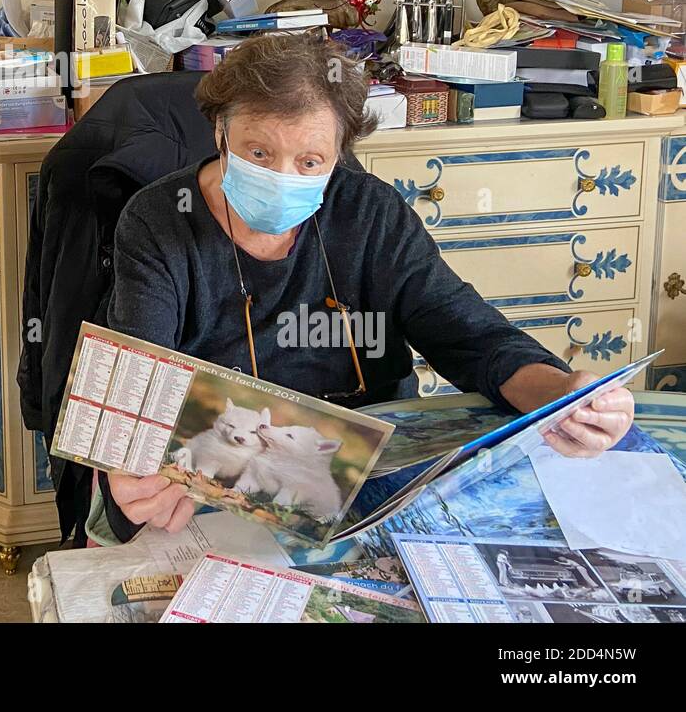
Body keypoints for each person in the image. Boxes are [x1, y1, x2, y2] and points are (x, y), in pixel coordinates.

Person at [103, 33, 635, 539]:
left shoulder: (369, 213)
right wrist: (130, 467)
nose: (282, 176)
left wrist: (565, 397)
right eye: (258, 153)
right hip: (223, 477)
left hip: (365, 478)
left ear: (339, 156)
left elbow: (470, 336)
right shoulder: (158, 220)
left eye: (309, 161)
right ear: (220, 132)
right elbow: (136, 381)